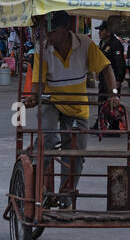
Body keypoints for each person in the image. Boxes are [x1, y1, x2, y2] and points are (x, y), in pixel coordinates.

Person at [23, 12, 120, 198]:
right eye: (46, 31)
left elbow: (106, 68)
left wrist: (113, 94)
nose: (48, 35)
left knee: (76, 153)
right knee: (49, 140)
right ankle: (35, 180)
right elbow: (37, 83)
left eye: (52, 31)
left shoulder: (85, 44)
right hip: (51, 101)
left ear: (66, 29)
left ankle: (66, 195)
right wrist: (33, 97)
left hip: (76, 104)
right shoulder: (42, 48)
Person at [97, 23, 128, 91]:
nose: (99, 33)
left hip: (113, 79)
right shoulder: (102, 42)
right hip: (103, 78)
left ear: (109, 32)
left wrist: (118, 80)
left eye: (101, 30)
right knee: (102, 97)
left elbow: (120, 62)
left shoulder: (115, 44)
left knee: (112, 97)